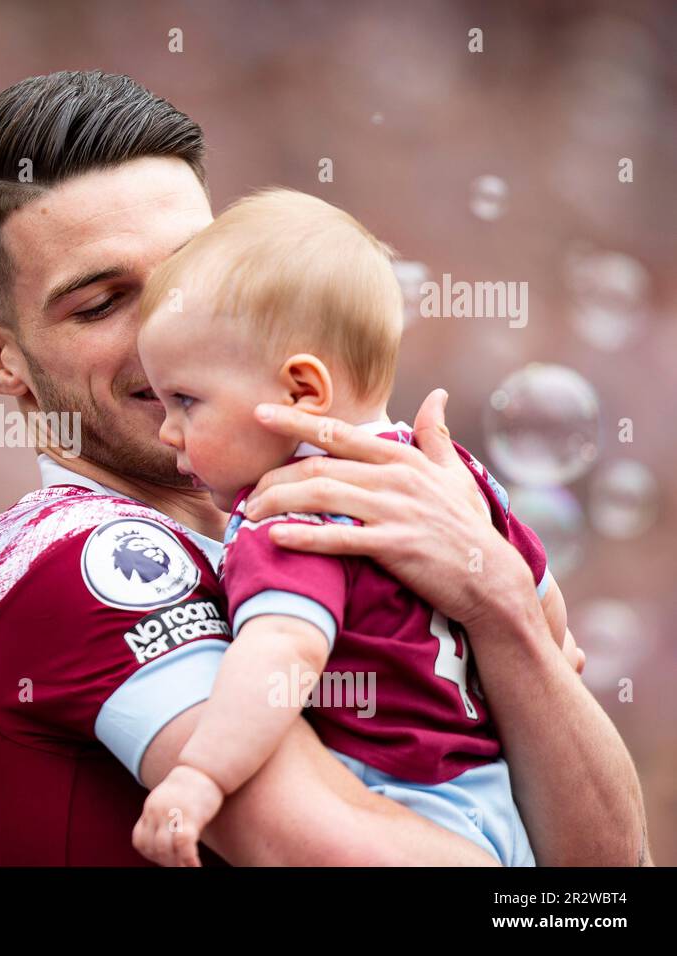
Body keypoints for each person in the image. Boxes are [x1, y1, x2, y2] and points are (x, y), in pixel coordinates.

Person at [0, 70, 649, 866]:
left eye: (190, 273)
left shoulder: (389, 502)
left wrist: (499, 602)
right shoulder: (80, 561)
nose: (161, 332)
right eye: (100, 304)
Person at [131, 187, 576, 867]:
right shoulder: (450, 472)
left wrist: (199, 775)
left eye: (186, 400)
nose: (166, 431)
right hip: (503, 806)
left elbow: (281, 657)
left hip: (401, 804)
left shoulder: (293, 511)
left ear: (302, 391)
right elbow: (548, 627)